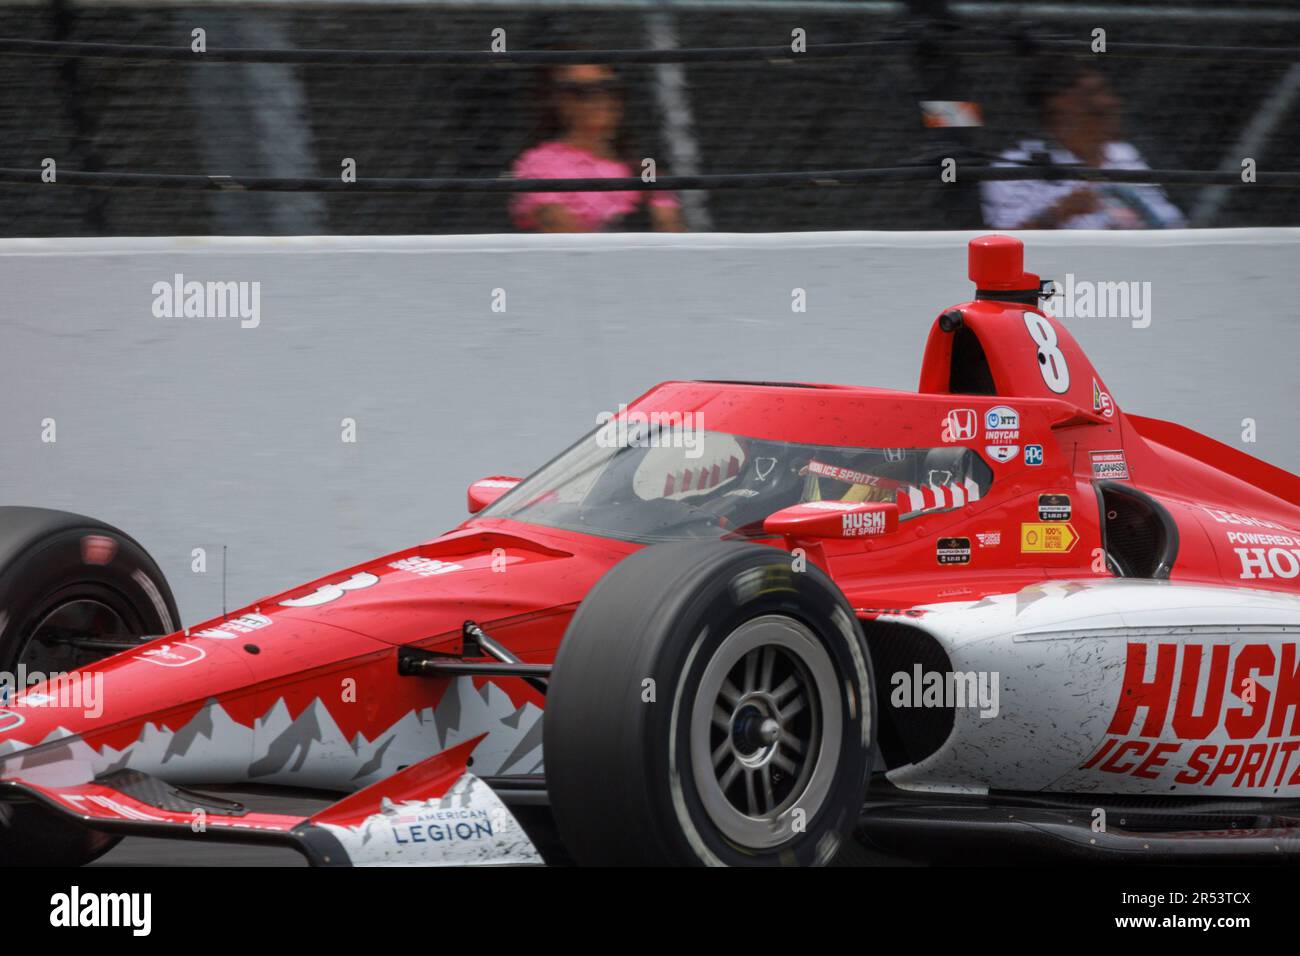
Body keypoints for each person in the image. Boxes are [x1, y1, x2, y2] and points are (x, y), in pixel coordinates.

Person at [981, 60, 1186, 230]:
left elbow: (1168, 221)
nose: (1112, 103)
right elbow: (1003, 246)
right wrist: (1059, 213)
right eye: (1097, 93)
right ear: (1061, 104)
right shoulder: (1015, 165)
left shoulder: (1123, 153)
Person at [509, 63, 684, 233]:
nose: (600, 98)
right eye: (582, 92)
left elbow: (671, 235)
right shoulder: (540, 163)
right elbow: (565, 241)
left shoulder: (644, 165)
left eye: (608, 88)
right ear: (560, 101)